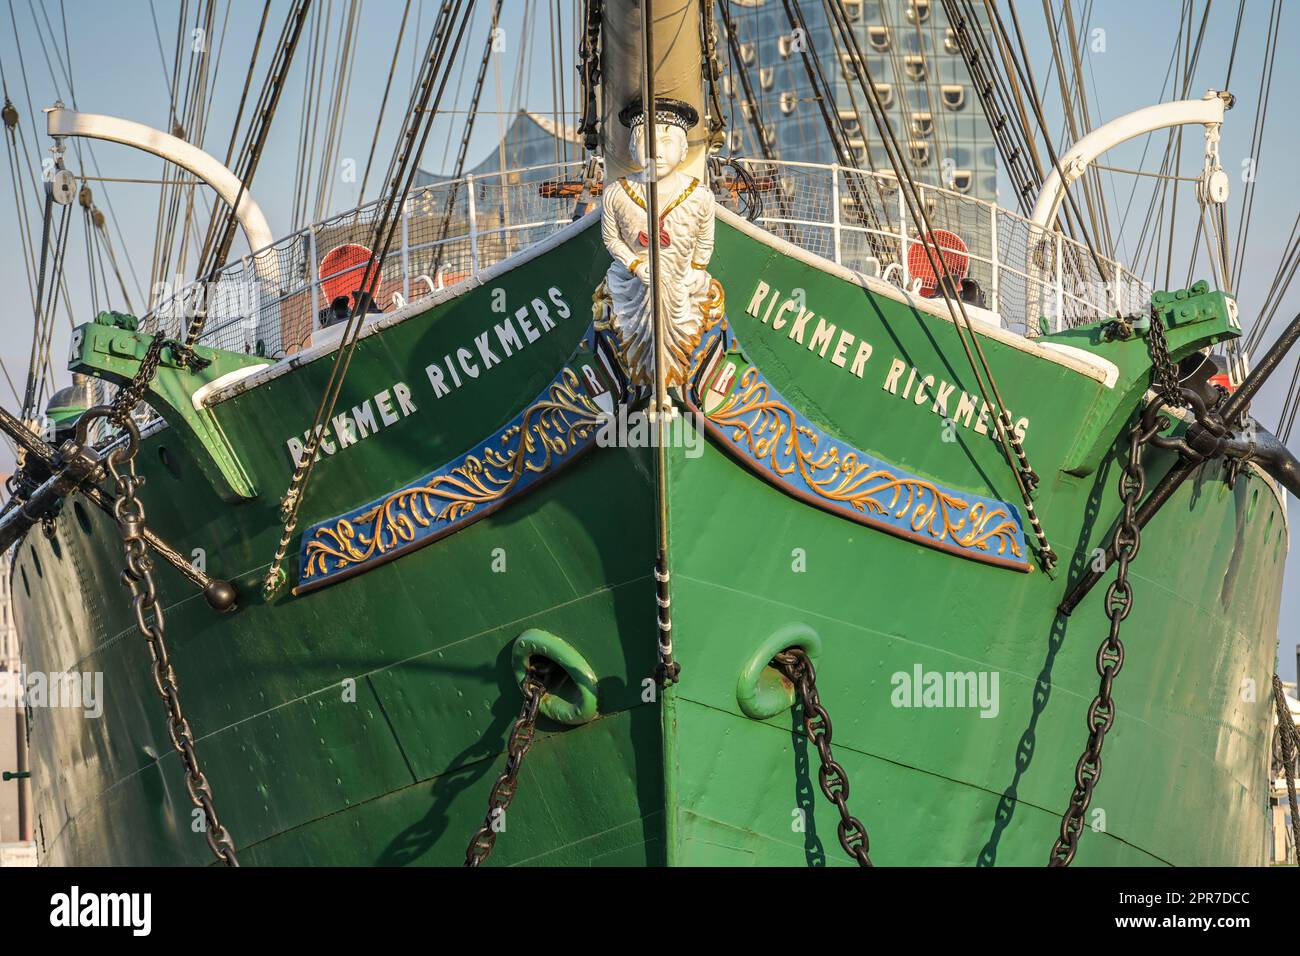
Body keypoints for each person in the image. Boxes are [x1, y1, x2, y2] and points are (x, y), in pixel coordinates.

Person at [598, 97, 718, 393]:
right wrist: (636, 265)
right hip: (634, 289)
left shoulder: (700, 196)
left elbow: (705, 239)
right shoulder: (616, 194)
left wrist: (696, 269)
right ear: (633, 147)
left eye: (667, 142)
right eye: (647, 141)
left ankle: (668, 382)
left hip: (682, 289)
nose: (657, 152)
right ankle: (647, 379)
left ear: (682, 150)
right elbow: (611, 238)